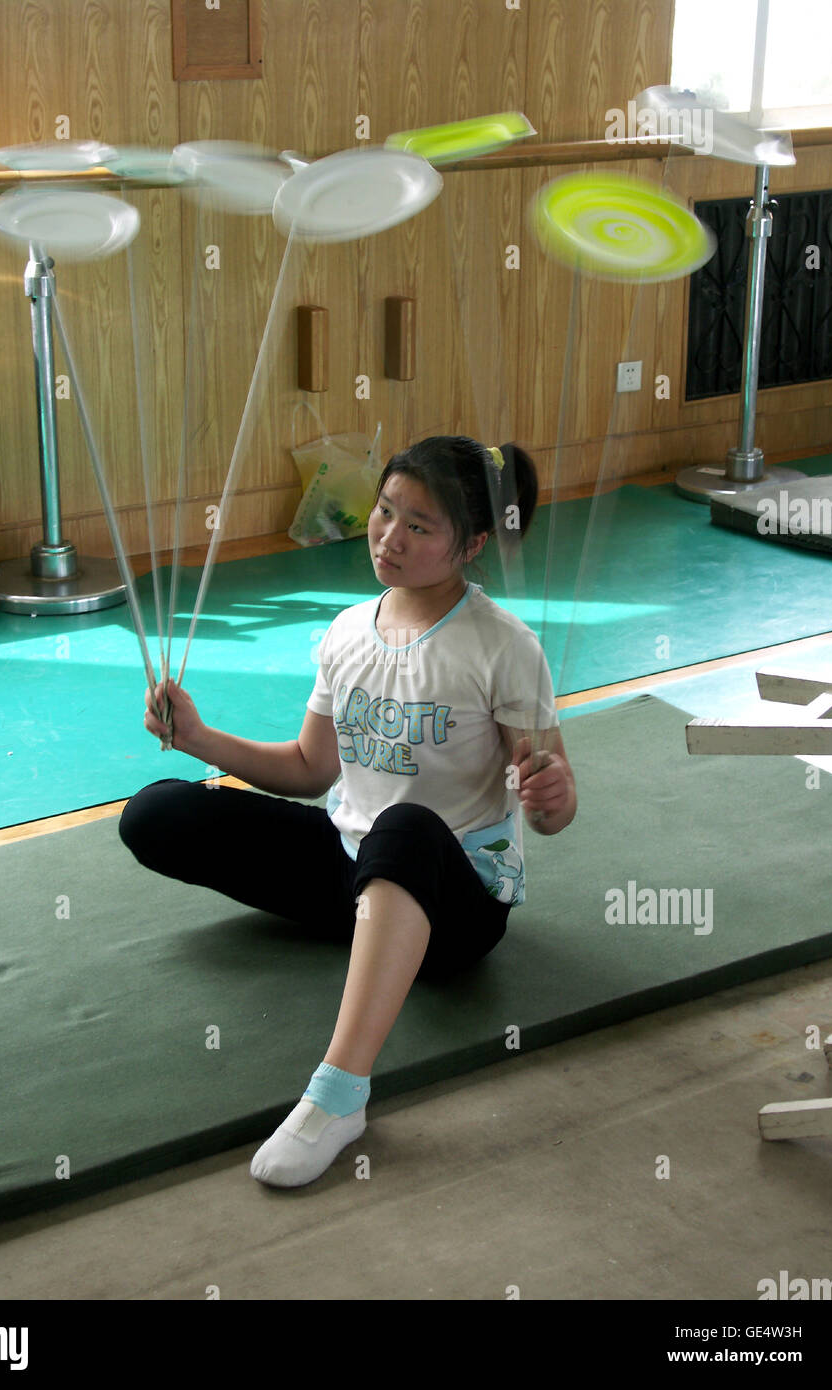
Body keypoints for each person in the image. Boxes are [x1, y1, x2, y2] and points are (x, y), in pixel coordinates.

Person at [119, 435, 576, 1188]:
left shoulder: (503, 647)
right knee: (157, 813)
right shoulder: (346, 632)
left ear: (473, 544)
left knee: (403, 825)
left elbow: (553, 806)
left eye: (419, 526)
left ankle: (337, 1098)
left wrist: (551, 795)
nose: (389, 537)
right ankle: (372, 934)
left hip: (453, 903)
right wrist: (198, 737)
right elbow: (307, 770)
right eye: (385, 511)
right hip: (351, 865)